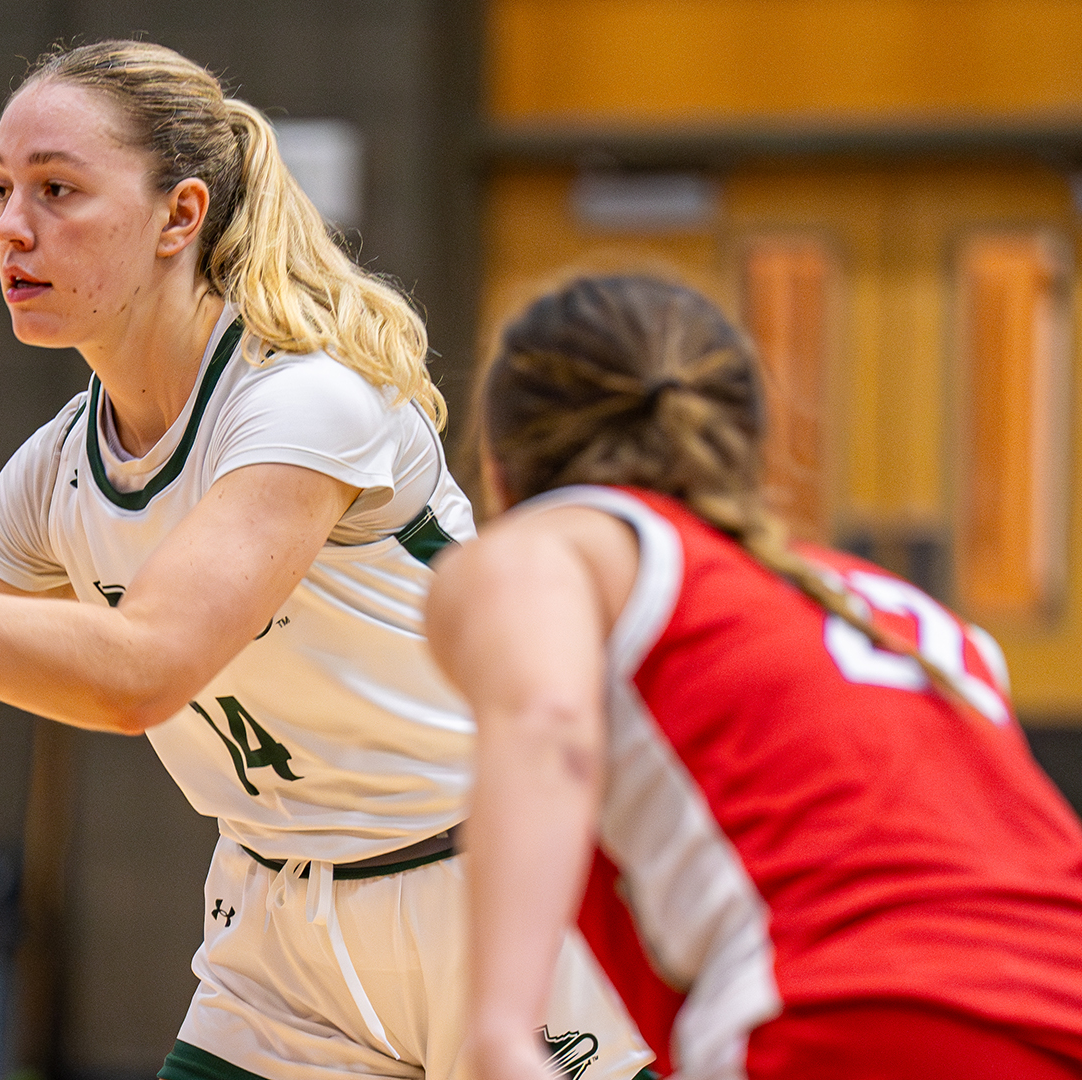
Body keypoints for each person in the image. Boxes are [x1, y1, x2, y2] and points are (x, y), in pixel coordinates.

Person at [0, 40, 653, 1080]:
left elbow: (141, 670)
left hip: (498, 882)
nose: (11, 227)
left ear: (180, 216)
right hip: (280, 934)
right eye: (1, 190)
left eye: (57, 190)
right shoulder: (51, 480)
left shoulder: (304, 402)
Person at [425, 274, 1082, 1080]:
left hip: (852, 1013)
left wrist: (500, 1037)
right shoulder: (917, 622)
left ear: (500, 463)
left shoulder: (555, 547)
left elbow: (549, 727)